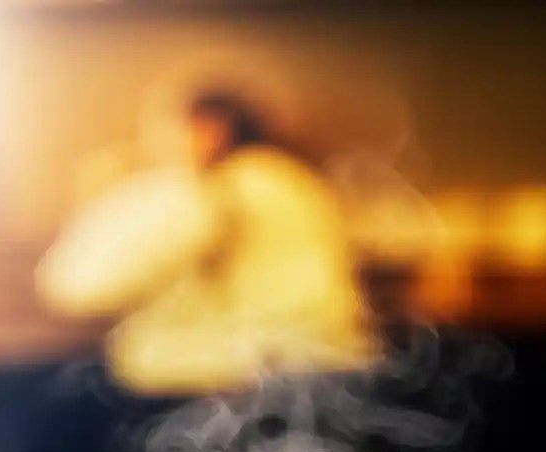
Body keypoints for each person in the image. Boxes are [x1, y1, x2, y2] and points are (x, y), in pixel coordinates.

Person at [38, 89, 375, 394]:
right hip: (329, 363)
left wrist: (100, 201)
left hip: (241, 374)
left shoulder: (209, 192)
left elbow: (80, 288)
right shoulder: (298, 181)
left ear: (208, 129)